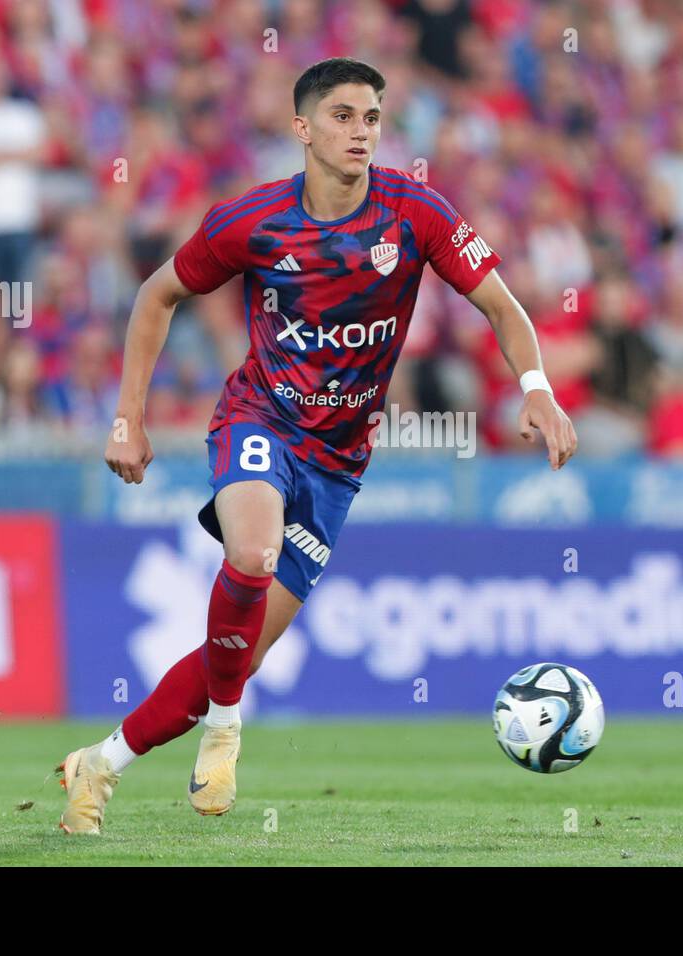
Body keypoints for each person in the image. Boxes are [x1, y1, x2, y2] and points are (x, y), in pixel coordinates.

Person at [55, 57, 577, 834]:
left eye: (370, 117)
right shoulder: (254, 221)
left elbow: (500, 305)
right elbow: (157, 294)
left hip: (338, 464)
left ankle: (98, 766)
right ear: (302, 128)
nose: (360, 131)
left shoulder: (414, 213)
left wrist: (537, 386)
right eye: (341, 116)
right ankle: (227, 734)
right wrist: (128, 416)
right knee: (254, 556)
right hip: (259, 418)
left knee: (232, 657)